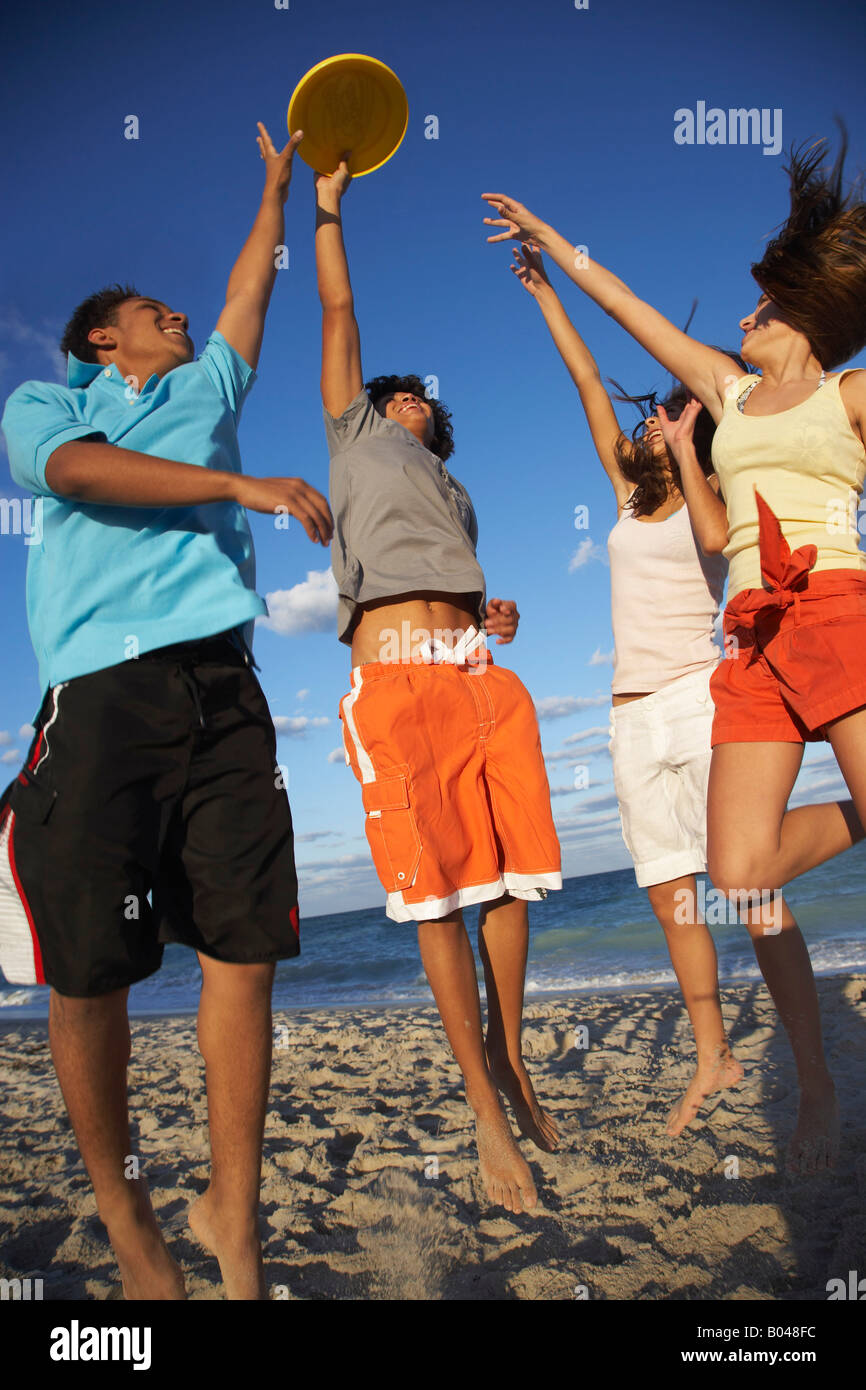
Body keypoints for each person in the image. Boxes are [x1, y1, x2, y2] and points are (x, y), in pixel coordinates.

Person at [482, 127, 866, 1172]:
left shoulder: (848, 395)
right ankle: (808, 1069)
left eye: (759, 300)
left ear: (803, 307)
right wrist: (554, 245)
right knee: (739, 874)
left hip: (833, 608)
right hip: (747, 642)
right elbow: (622, 311)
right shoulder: (725, 390)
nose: (742, 312)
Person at [0, 124, 333, 1298]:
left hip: (224, 686)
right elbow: (84, 479)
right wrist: (241, 484)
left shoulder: (207, 384)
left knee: (245, 950)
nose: (180, 318)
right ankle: (131, 1221)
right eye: (154, 311)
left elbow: (251, 287)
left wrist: (280, 187)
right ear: (104, 337)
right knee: (89, 974)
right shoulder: (48, 402)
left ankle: (230, 1218)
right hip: (100, 694)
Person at [315, 160, 562, 1215]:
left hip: (479, 677)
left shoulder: (454, 491)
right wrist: (324, 205)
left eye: (420, 397)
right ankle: (478, 1104)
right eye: (394, 392)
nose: (406, 398)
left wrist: (497, 614)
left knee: (509, 888)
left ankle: (511, 1056)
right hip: (393, 685)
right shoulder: (352, 435)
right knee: (436, 900)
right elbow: (336, 305)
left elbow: (468, 586)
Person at [500, 239, 746, 1135]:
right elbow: (586, 380)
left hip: (703, 700)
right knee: (672, 892)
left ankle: (801, 1050)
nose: (653, 422)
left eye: (674, 414)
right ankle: (713, 1057)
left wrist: (689, 449)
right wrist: (542, 290)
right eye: (655, 417)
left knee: (747, 881)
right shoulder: (628, 497)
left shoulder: (718, 495)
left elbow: (725, 543)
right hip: (630, 721)